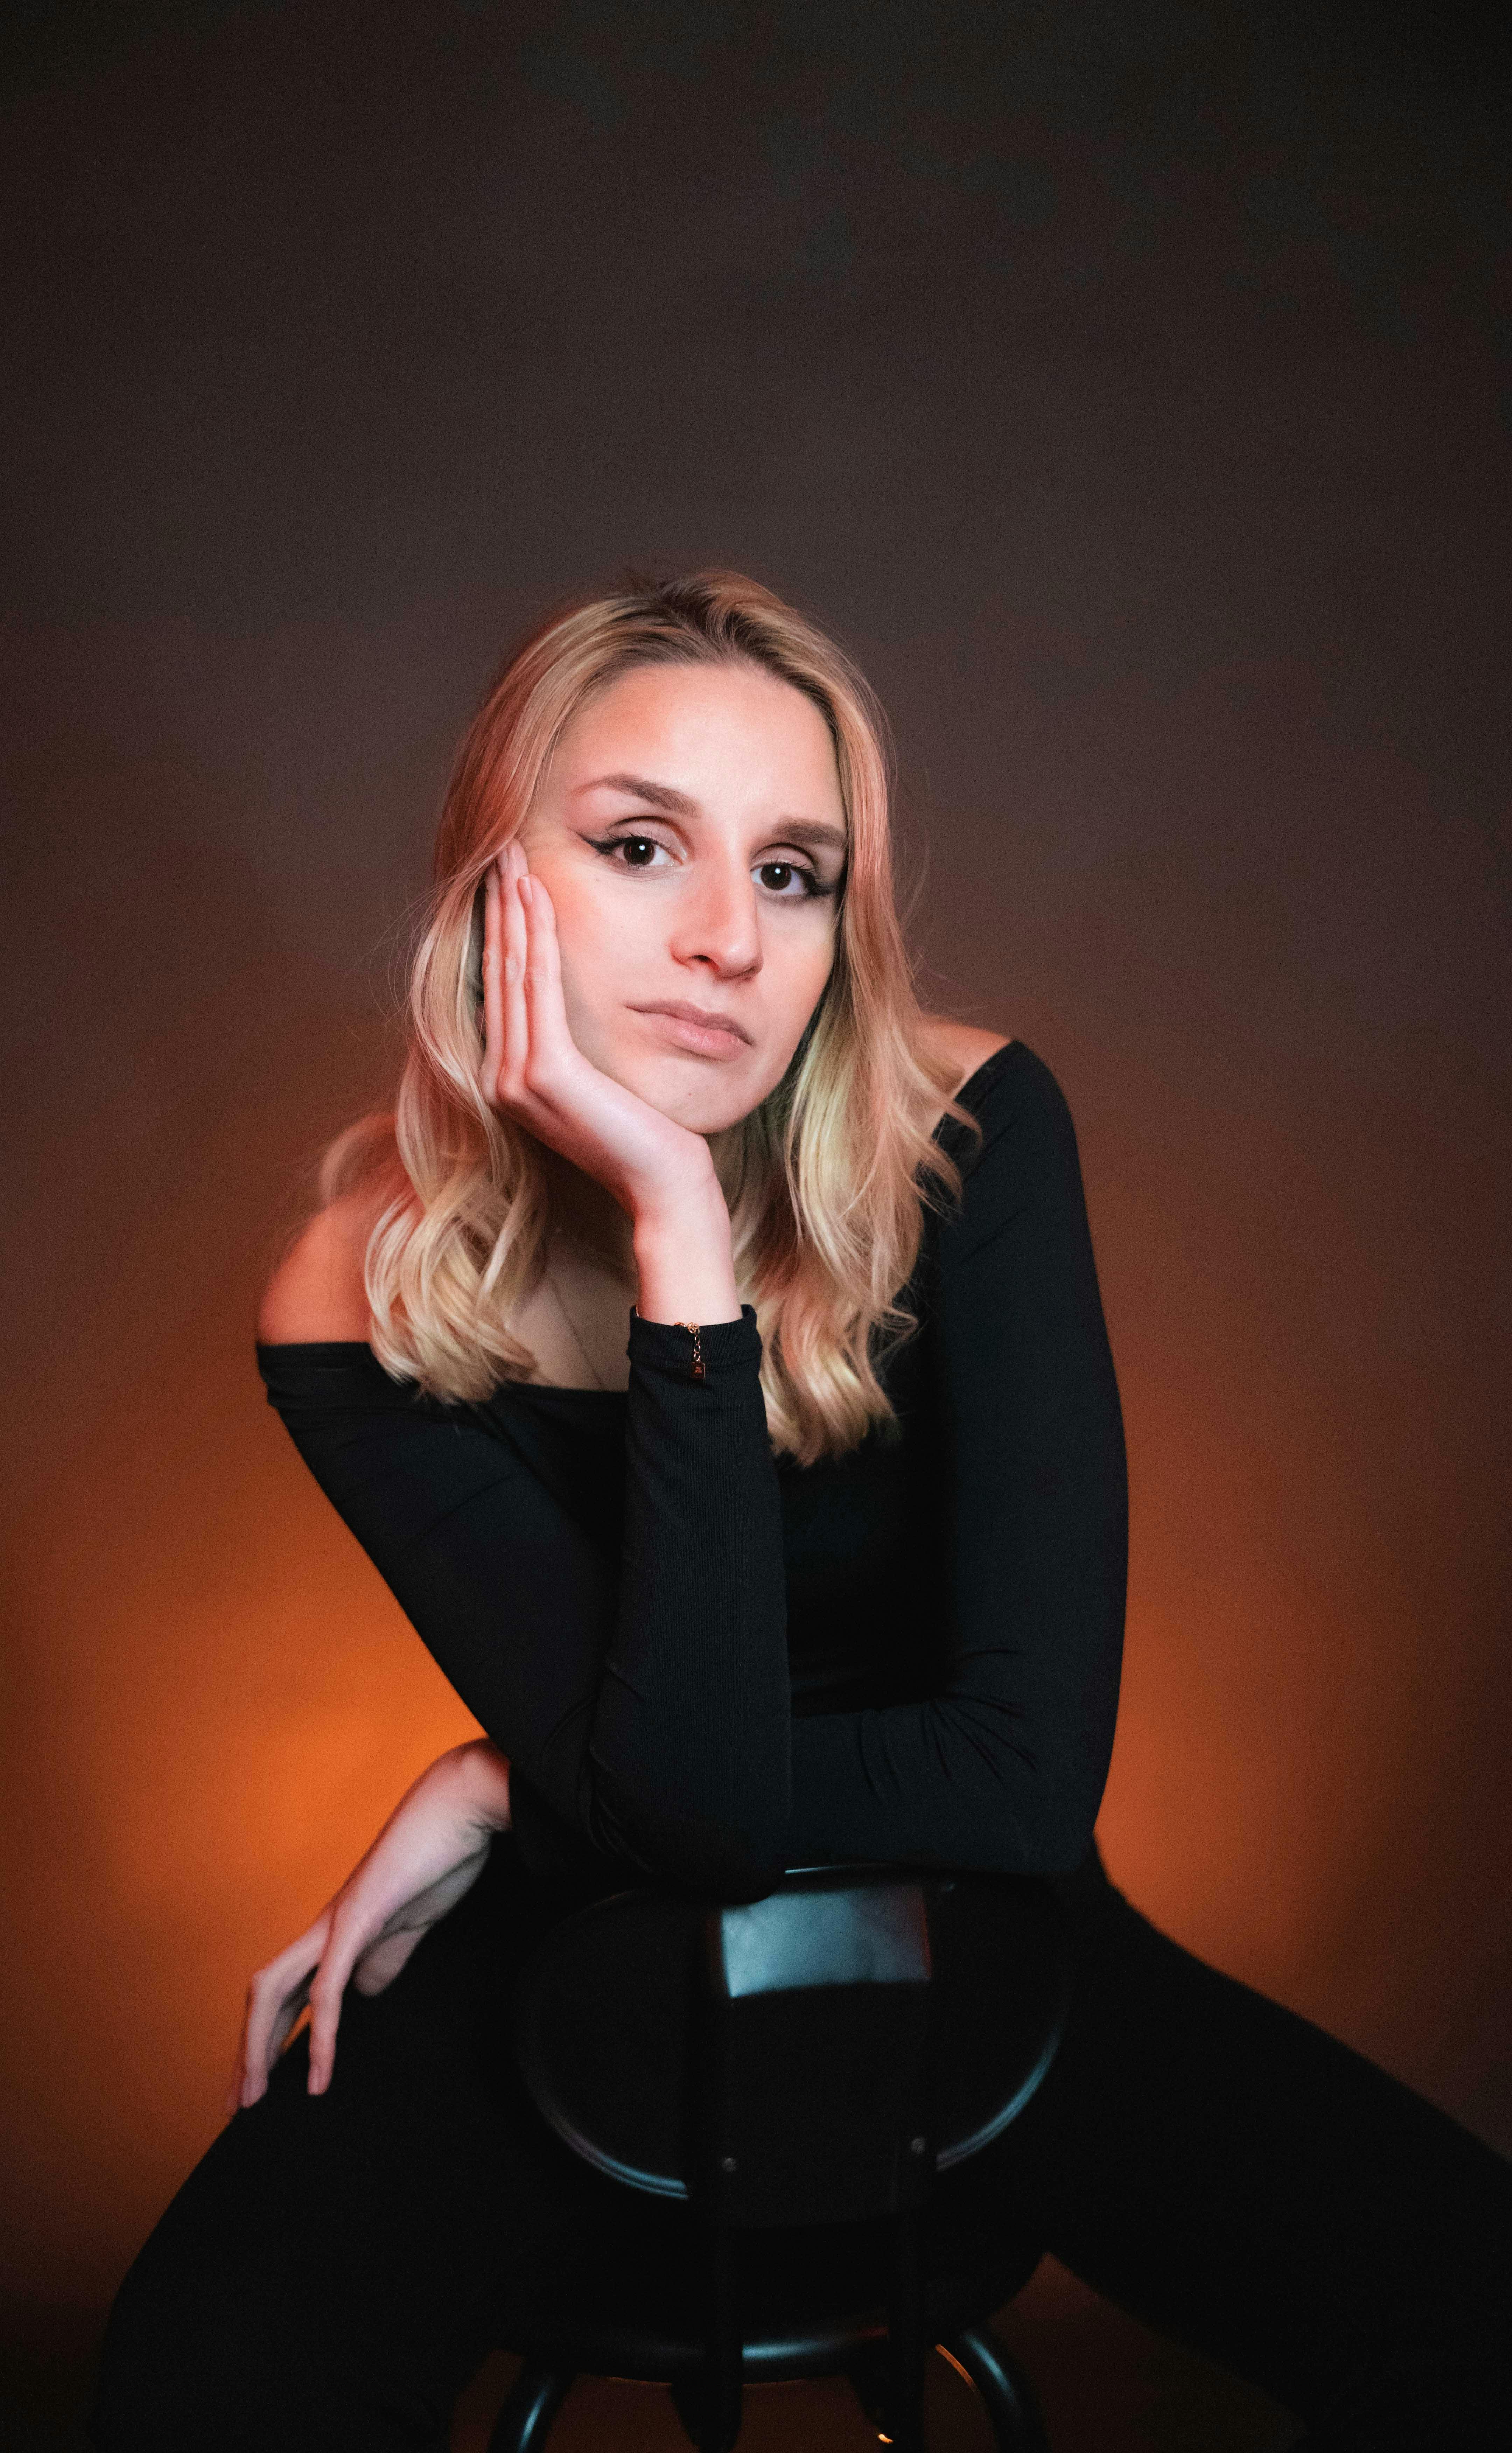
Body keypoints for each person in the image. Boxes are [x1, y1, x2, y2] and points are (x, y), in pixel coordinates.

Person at [91, 573, 1510, 2451]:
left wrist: (512, 1783)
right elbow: (686, 1812)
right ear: (492, 881)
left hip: (976, 1932)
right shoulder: (359, 1286)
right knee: (204, 2388)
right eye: (637, 847)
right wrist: (683, 1243)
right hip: (585, 1944)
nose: (723, 943)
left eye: (792, 874)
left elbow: (1015, 1782)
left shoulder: (974, 1135)